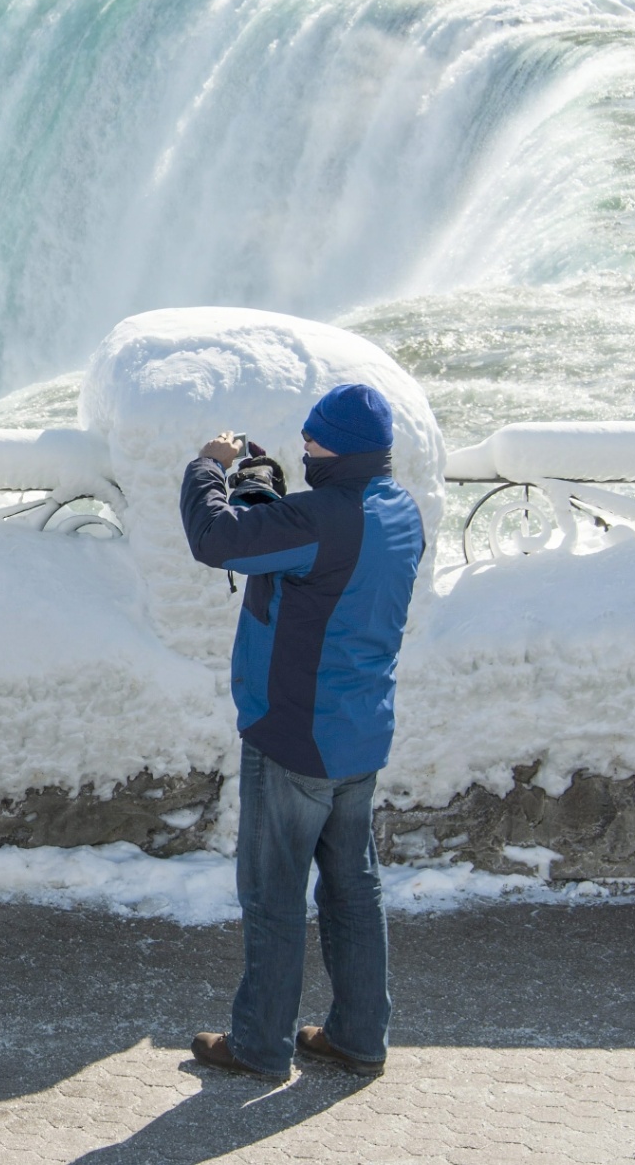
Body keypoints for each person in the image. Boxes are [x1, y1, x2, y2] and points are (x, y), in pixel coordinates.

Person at [178, 383, 425, 1080]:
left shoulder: (323, 517)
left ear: (337, 446)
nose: (306, 450)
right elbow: (317, 559)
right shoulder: (400, 510)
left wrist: (208, 467)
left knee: (272, 896)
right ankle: (358, 1037)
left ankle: (259, 1045)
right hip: (360, 732)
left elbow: (216, 540)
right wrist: (280, 501)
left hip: (293, 735)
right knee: (353, 889)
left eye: (314, 442)